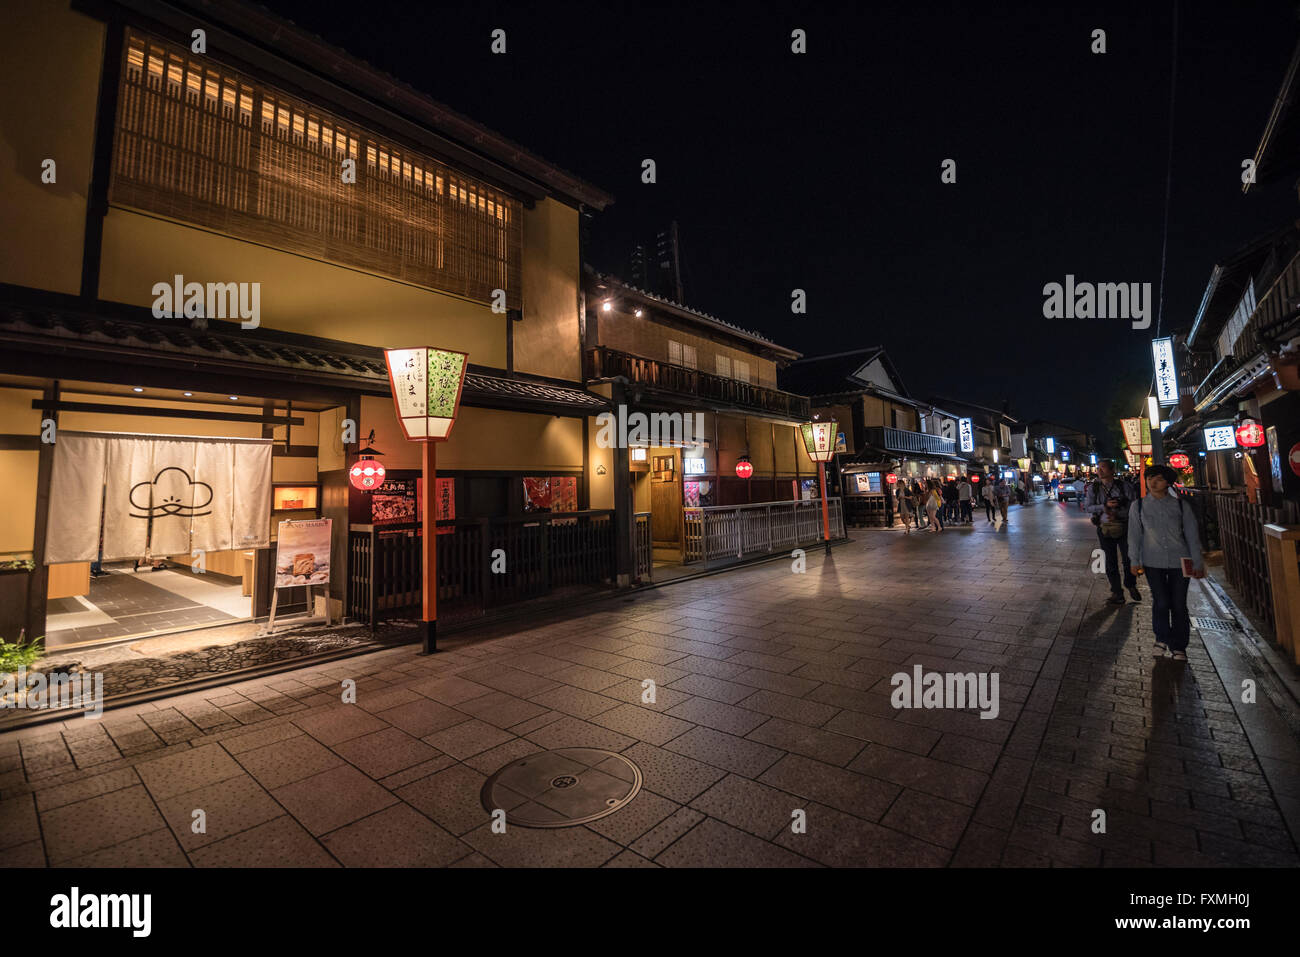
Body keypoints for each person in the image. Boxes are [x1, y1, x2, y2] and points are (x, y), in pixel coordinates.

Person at [1129, 464, 1204, 661]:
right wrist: (1134, 560)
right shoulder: (1138, 506)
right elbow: (1134, 536)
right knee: (1161, 602)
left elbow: (1191, 535)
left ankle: (1179, 646)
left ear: (1168, 483)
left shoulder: (1180, 505)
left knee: (1179, 604)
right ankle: (1161, 639)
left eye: (1159, 479)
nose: (1153, 482)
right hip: (1153, 561)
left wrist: (1197, 562)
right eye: (1150, 478)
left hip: (1181, 560)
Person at [1085, 459, 1140, 605]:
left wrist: (1120, 509)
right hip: (1104, 527)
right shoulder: (1094, 488)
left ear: (1111, 470)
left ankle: (1130, 584)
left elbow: (1134, 505)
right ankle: (1117, 592)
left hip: (1124, 525)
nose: (1099, 471)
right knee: (1110, 560)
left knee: (1128, 558)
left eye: (1103, 468)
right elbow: (1088, 507)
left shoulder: (1124, 486)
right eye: (1099, 468)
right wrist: (1104, 506)